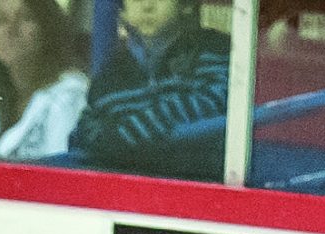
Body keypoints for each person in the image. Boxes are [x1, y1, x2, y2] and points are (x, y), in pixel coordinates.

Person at [68, 0, 231, 179]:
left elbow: (216, 98)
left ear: (186, 4)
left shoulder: (215, 48)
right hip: (123, 182)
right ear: (123, 11)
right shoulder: (112, 71)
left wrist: (132, 131)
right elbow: (87, 128)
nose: (147, 6)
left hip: (196, 180)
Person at [0, 0, 91, 161]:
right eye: (1, 20)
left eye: (25, 17)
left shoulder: (67, 96)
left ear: (47, 28)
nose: (11, 29)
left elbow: (62, 177)